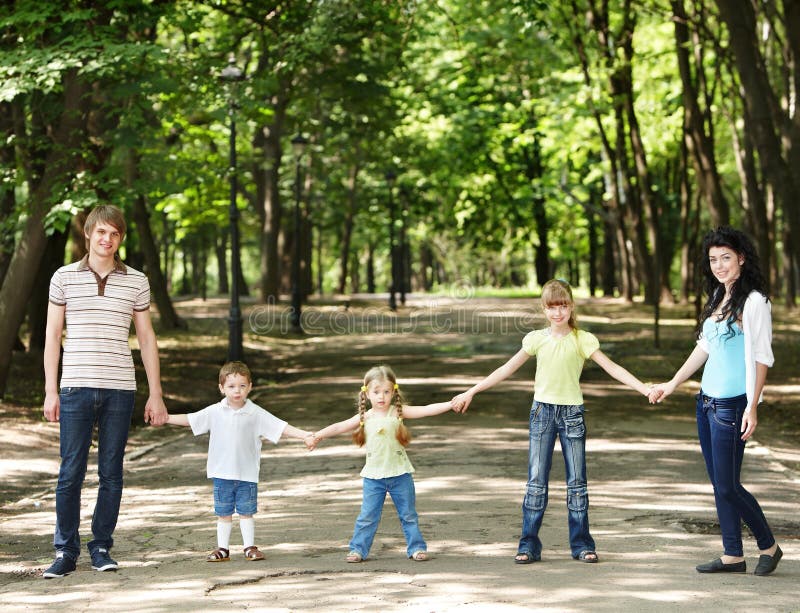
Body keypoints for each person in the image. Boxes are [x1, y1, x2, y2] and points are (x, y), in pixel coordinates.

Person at [451, 279, 651, 565]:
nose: (558, 312)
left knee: (577, 484)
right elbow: (506, 369)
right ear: (544, 309)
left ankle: (582, 544)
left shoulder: (583, 339)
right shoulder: (536, 339)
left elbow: (612, 368)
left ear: (571, 307)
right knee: (536, 483)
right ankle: (528, 545)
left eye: (563, 306)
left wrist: (644, 388)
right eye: (552, 307)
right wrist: (472, 391)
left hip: (572, 414)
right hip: (541, 414)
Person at [42, 205, 169, 578]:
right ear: (87, 233)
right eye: (100, 232)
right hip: (75, 386)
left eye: (114, 234)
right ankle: (65, 551)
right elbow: (52, 335)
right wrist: (51, 390)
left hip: (120, 388)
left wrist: (156, 392)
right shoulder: (63, 277)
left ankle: (101, 546)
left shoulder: (136, 281)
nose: (106, 239)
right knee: (71, 473)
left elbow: (146, 338)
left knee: (112, 473)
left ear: (120, 239)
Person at [649, 227, 781, 576]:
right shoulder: (718, 298)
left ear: (741, 257)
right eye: (713, 260)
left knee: (727, 484)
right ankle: (732, 555)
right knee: (719, 483)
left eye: (726, 257)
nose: (719, 265)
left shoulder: (754, 302)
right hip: (706, 401)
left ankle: (768, 545)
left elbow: (762, 358)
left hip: (732, 405)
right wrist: (673, 383)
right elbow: (704, 348)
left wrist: (753, 406)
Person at [167, 361, 313, 562]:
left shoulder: (256, 413)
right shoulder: (214, 412)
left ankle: (249, 547)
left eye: (242, 386)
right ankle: (223, 549)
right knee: (223, 513)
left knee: (247, 512)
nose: (237, 391)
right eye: (231, 386)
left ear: (250, 387)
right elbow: (190, 420)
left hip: (247, 473)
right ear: (221, 388)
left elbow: (280, 427)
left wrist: (305, 435)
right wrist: (164, 417)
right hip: (222, 473)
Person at [306, 365, 454, 563]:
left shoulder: (398, 412)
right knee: (367, 516)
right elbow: (339, 426)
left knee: (408, 515)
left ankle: (416, 548)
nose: (381, 397)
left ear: (394, 392)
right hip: (373, 478)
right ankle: (358, 549)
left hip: (400, 474)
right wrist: (318, 435)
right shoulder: (365, 417)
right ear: (367, 394)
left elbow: (427, 410)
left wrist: (451, 403)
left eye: (386, 391)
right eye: (376, 392)